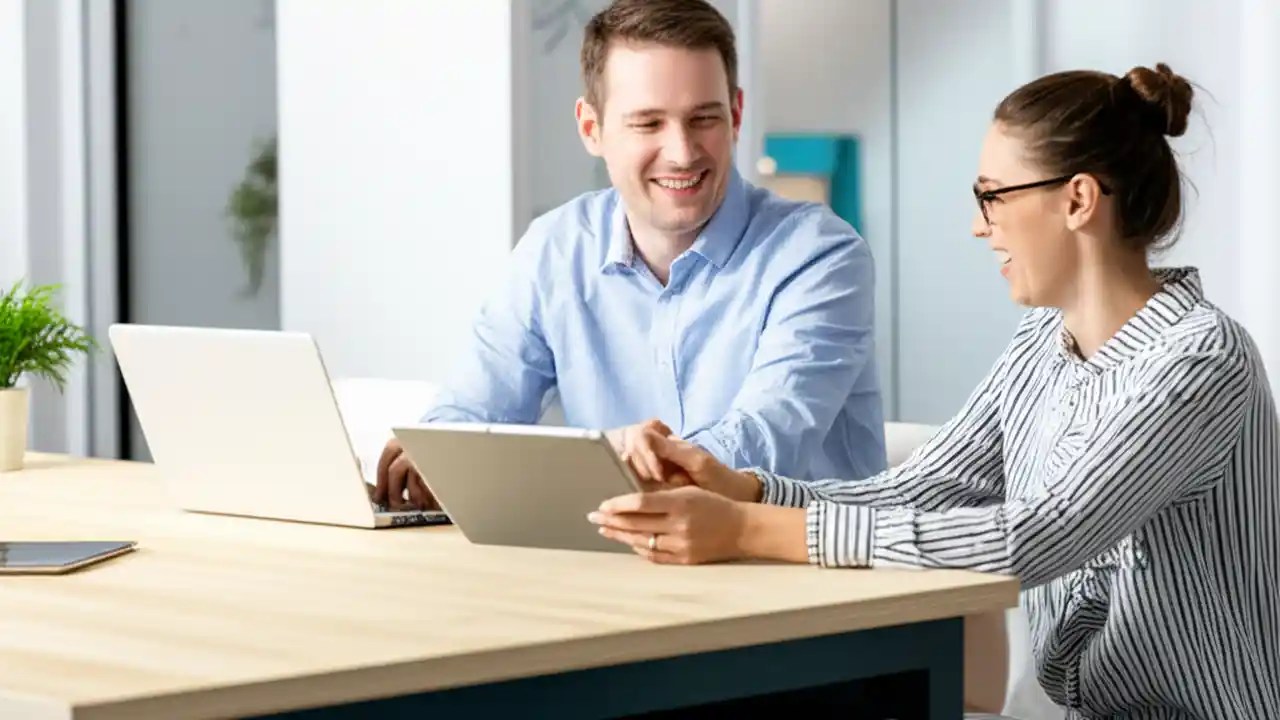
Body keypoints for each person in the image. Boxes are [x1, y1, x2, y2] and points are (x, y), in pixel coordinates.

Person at [590, 63, 1280, 719]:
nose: (979, 225)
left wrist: (747, 531)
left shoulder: (1199, 361)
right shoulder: (1042, 342)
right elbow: (925, 485)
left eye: (992, 196)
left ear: (1077, 200)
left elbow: (1034, 536)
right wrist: (745, 490)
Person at [374, 0, 886, 510]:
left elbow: (750, 455)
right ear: (591, 129)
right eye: (648, 124)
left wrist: (611, 458)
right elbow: (467, 416)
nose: (682, 152)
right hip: (620, 567)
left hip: (793, 575)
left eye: (703, 119)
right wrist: (432, 459)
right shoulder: (555, 248)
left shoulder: (819, 256)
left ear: (735, 114)